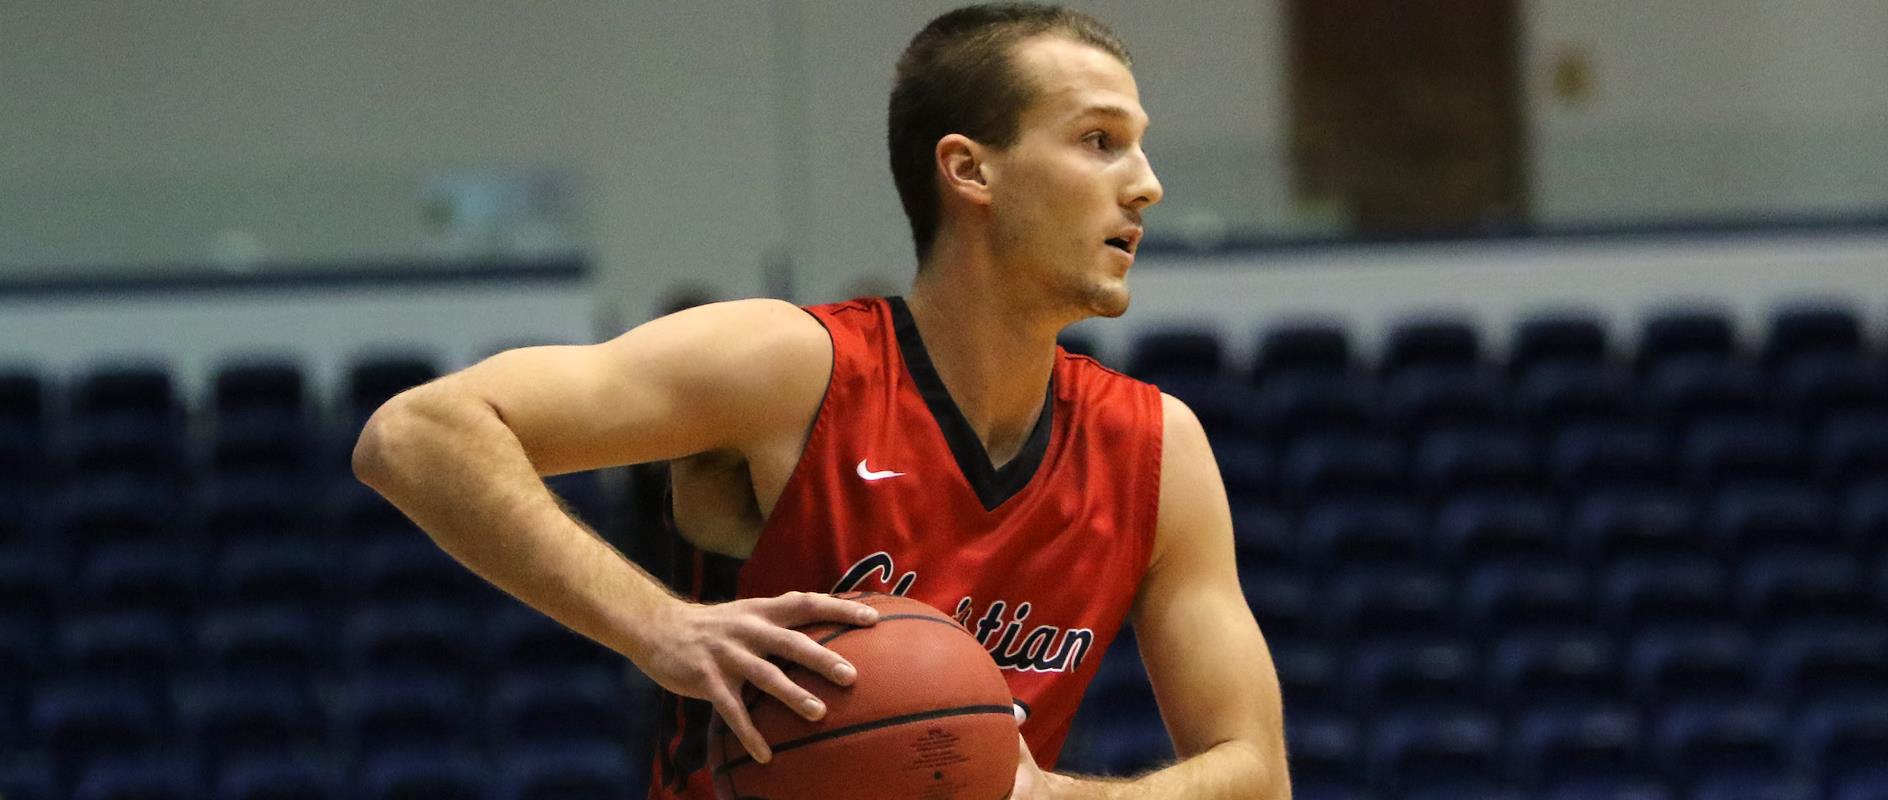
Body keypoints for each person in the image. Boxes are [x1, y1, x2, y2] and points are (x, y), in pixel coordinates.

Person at [351, 3, 1289, 798]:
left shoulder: (1157, 444)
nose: (1149, 185)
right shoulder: (791, 367)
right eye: (1100, 142)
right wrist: (659, 625)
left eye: (1141, 148)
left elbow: (1256, 771)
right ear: (971, 171)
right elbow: (418, 433)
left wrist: (1052, 795)